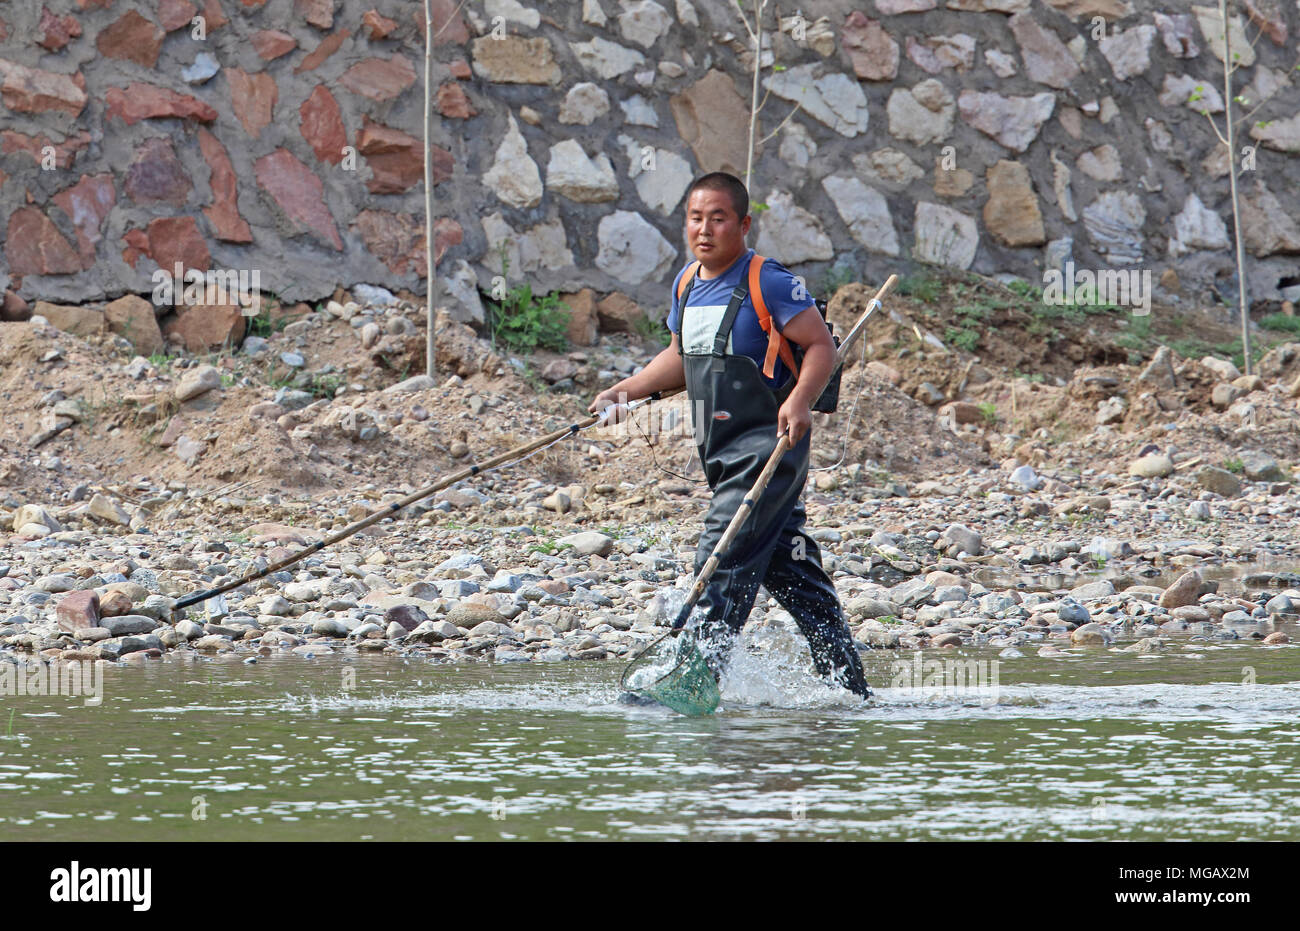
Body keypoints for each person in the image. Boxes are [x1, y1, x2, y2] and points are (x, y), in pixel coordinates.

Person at [589, 172, 871, 699]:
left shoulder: (771, 282)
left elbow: (820, 347)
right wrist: (625, 392)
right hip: (720, 455)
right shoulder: (687, 284)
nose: (705, 229)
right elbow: (679, 357)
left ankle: (693, 681)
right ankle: (850, 690)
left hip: (770, 451)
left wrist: (799, 400)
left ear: (742, 224)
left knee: (721, 556)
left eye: (718, 218)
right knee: (795, 574)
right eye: (696, 218)